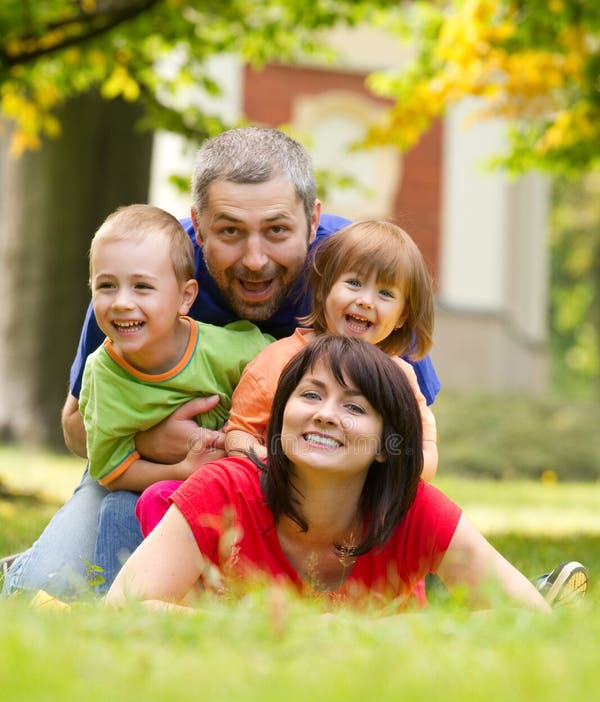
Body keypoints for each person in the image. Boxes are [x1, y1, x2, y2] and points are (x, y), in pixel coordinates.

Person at [2, 126, 439, 599]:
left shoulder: (363, 275)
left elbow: (408, 424)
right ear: (198, 223)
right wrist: (151, 439)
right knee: (49, 589)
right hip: (146, 472)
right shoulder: (147, 271)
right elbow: (74, 424)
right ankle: (23, 568)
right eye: (229, 231)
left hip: (319, 485)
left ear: (312, 222)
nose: (254, 260)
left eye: (277, 231)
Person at [105, 336, 588, 612]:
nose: (326, 415)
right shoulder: (224, 489)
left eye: (354, 406)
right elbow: (122, 609)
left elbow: (526, 618)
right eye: (310, 396)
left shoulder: (413, 509)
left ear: (385, 445)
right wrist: (287, 629)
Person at [225, 219, 438, 480]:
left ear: (403, 316)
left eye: (385, 293)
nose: (365, 301)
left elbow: (424, 455)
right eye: (354, 283)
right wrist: (291, 471)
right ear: (323, 290)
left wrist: (366, 475)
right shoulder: (280, 360)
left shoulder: (399, 377)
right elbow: (238, 436)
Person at [81, 204, 272, 491]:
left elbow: (288, 366)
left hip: (249, 479)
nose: (121, 302)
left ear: (185, 297)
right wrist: (182, 471)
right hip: (165, 486)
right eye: (107, 285)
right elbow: (111, 470)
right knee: (119, 510)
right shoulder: (103, 374)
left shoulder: (227, 350)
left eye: (142, 286)